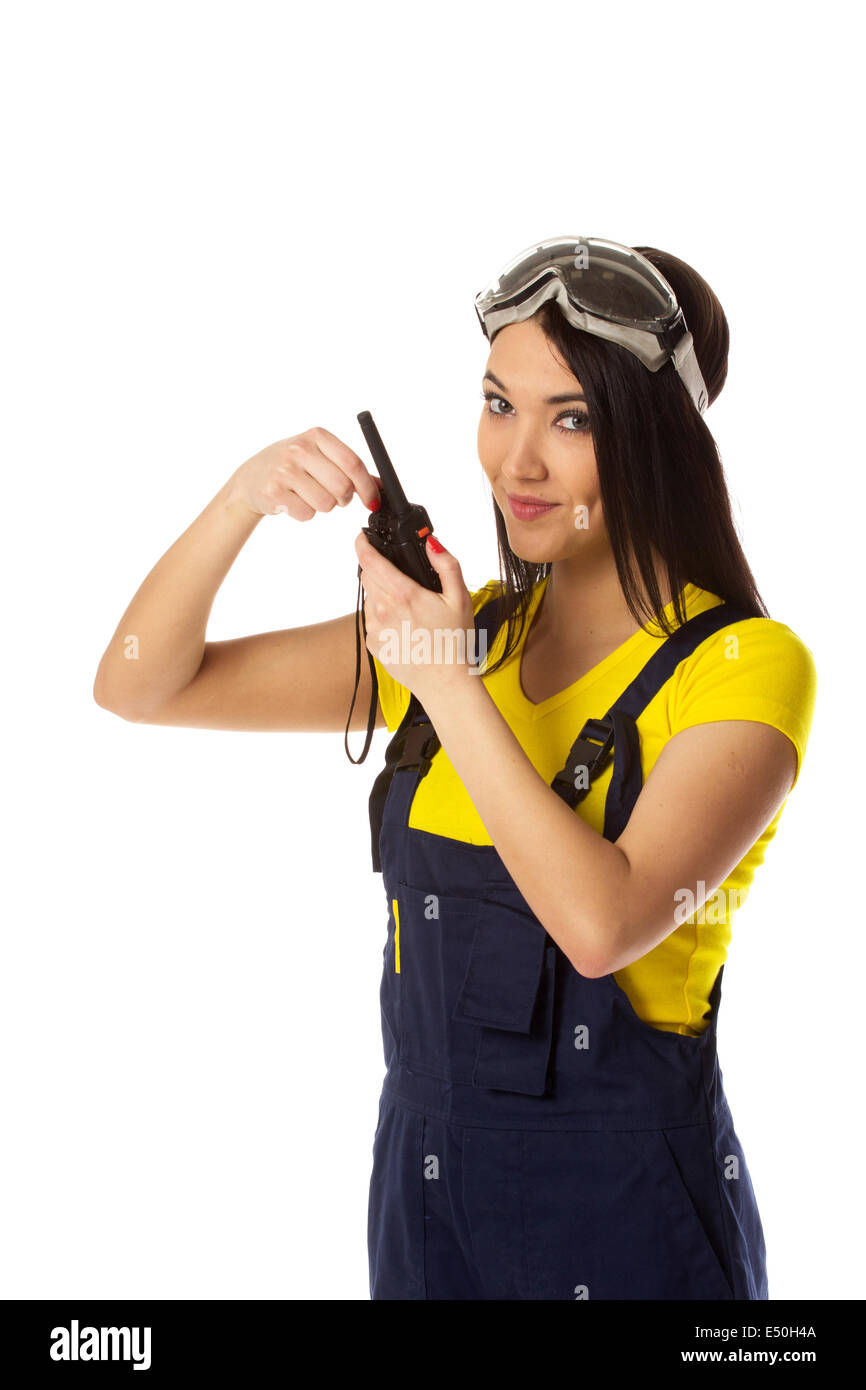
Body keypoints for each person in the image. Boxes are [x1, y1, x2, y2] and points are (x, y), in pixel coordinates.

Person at [94, 237, 816, 1302]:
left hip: (629, 1232)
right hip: (425, 1218)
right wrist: (240, 497)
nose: (515, 461)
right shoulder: (465, 635)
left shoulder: (744, 668)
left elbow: (601, 923)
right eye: (497, 403)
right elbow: (141, 684)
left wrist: (443, 682)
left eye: (571, 419)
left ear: (658, 439)